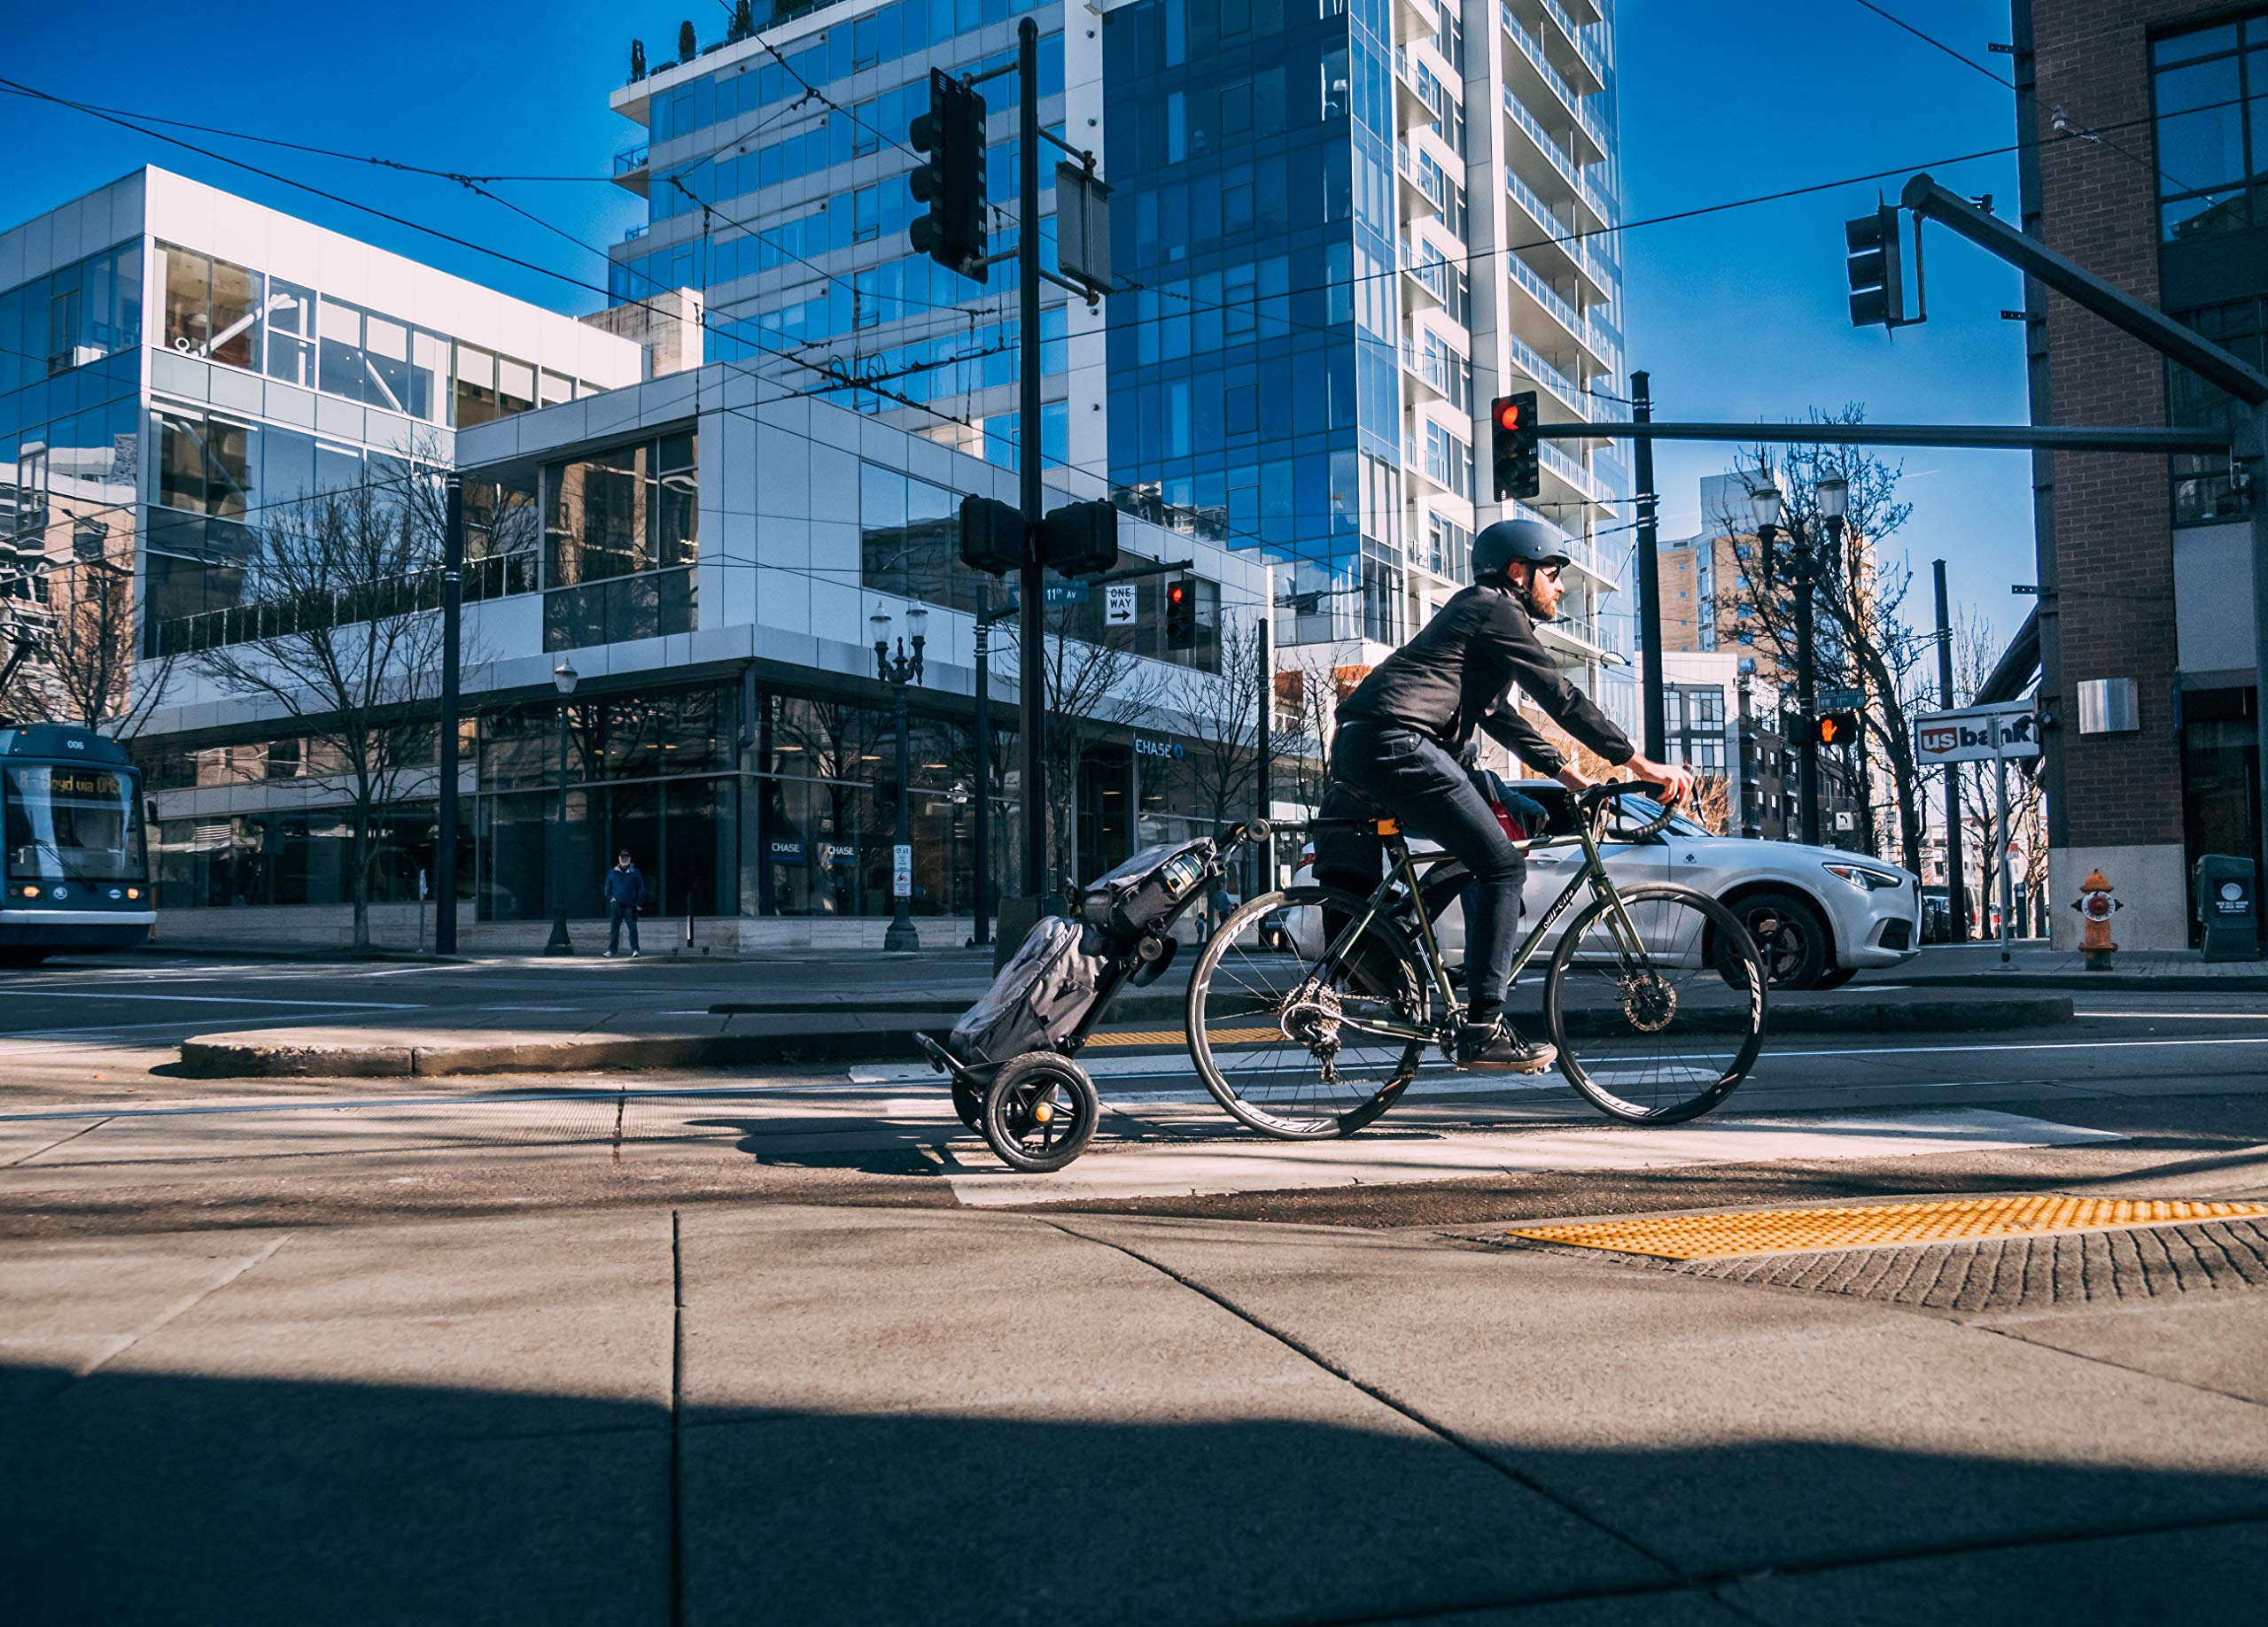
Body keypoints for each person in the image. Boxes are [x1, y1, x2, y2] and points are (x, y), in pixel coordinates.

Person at [1315, 518, 1693, 1073]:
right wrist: (1637, 761)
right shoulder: (1494, 608)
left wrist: (1573, 779)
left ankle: (1388, 935)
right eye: (1552, 572)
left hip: (1375, 746)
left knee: (1497, 846)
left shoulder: (1481, 619)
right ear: (1519, 572)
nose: (1559, 586)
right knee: (1502, 869)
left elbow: (1499, 716)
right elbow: (1560, 696)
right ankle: (1483, 1027)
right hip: (1397, 744)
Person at [603, 850, 645, 957]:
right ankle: (612, 951)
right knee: (614, 929)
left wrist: (639, 903)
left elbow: (641, 888)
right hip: (616, 906)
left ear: (629, 859)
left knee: (632, 929)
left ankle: (635, 950)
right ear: (619, 859)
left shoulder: (635, 872)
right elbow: (607, 887)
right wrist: (610, 898)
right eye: (622, 857)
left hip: (630, 906)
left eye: (626, 857)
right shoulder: (613, 872)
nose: (624, 859)